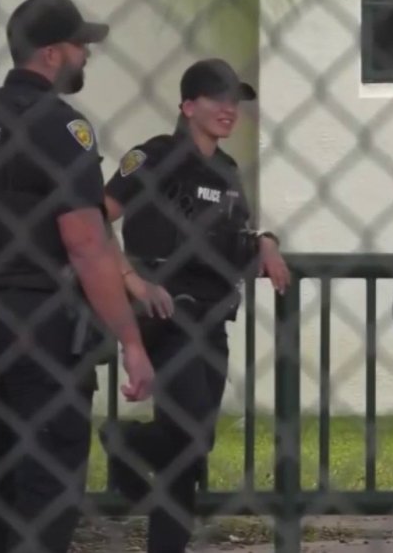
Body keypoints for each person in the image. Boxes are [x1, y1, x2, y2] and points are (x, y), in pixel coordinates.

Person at [0, 0, 156, 553]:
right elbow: (85, 242)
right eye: (81, 47)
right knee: (47, 485)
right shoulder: (62, 126)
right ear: (53, 54)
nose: (86, 57)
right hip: (42, 321)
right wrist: (130, 338)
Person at [97, 58, 291, 553]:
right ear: (187, 106)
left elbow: (235, 237)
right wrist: (130, 279)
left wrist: (265, 240)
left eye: (235, 101)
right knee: (185, 440)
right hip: (165, 314)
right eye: (217, 98)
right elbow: (96, 218)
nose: (230, 109)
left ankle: (130, 451)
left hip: (212, 317)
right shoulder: (155, 156)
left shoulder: (227, 172)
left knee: (192, 446)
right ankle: (122, 444)